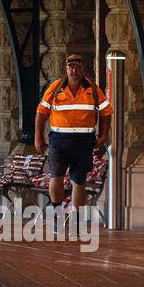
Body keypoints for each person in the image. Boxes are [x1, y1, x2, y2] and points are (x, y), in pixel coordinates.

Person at [35, 53, 111, 213]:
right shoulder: (56, 88)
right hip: (58, 140)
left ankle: (77, 220)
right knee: (56, 177)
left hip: (83, 142)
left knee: (79, 181)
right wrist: (38, 137)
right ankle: (57, 213)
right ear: (66, 69)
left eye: (77, 67)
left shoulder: (93, 90)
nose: (74, 71)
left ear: (83, 69)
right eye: (70, 67)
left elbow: (106, 112)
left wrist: (103, 136)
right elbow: (41, 112)